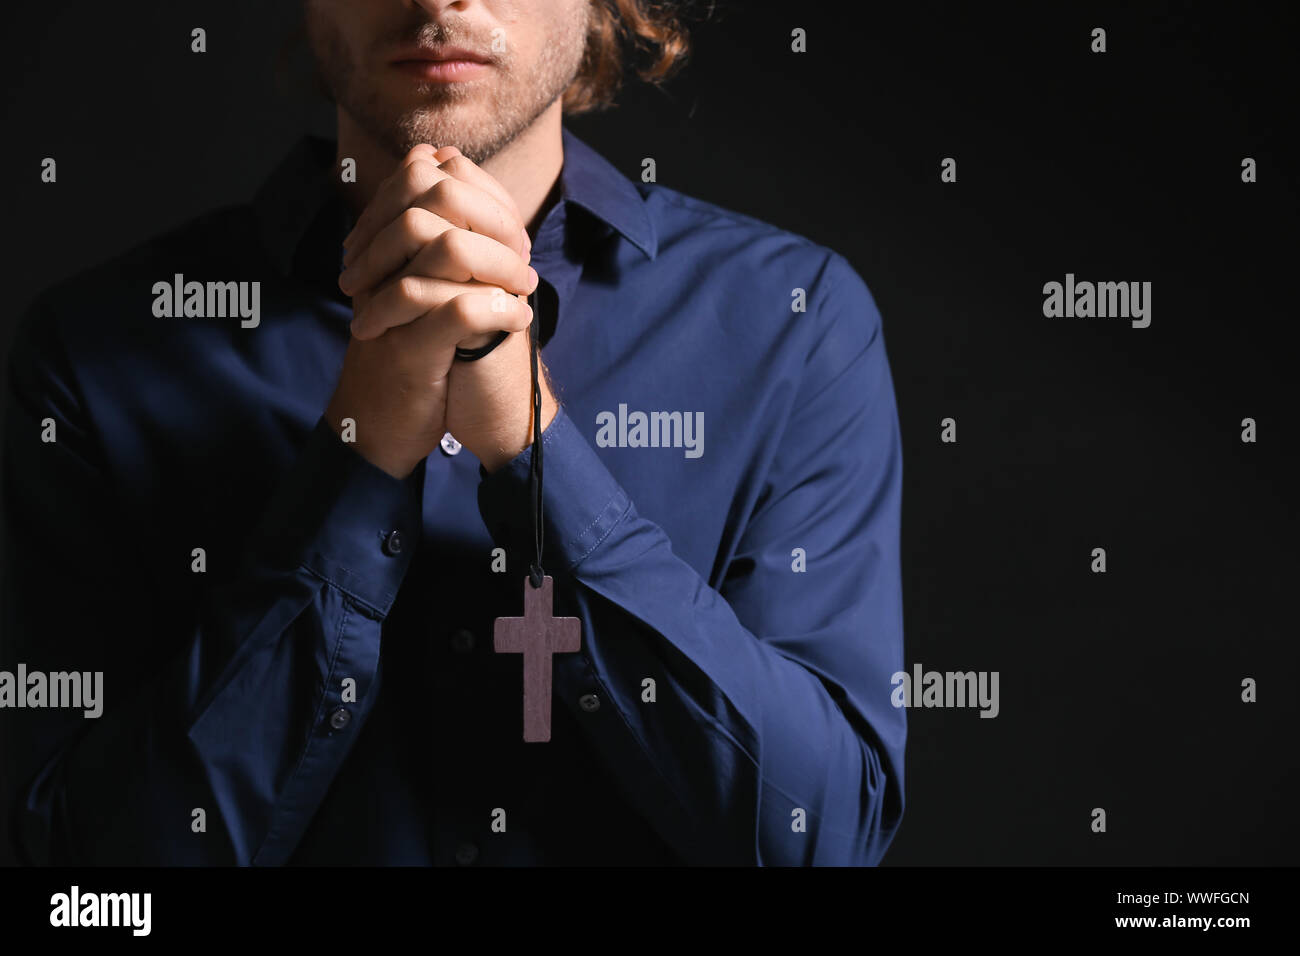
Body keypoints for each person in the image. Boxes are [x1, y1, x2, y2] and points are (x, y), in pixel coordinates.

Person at [0, 0, 906, 866]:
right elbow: (90, 889)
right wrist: (361, 452)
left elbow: (821, 839)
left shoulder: (794, 325)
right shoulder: (92, 356)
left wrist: (535, 449)